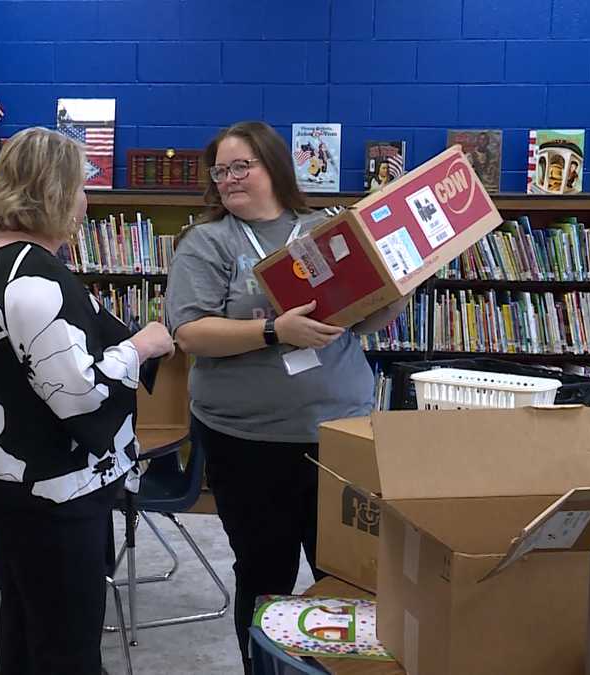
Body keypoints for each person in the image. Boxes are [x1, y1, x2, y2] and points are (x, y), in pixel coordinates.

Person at [164, 121, 409, 674]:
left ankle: (336, 667)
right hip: (247, 441)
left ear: (273, 166)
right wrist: (274, 331)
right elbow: (189, 333)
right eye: (220, 170)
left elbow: (363, 319)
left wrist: (399, 285)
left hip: (340, 435)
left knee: (344, 570)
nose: (227, 179)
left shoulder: (323, 228)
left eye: (239, 166)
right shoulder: (209, 241)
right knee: (264, 569)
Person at [0, 126, 174, 674]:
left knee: (27, 628)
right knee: (68, 646)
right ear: (51, 192)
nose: (85, 202)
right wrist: (142, 347)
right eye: (79, 187)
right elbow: (80, 395)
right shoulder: (33, 277)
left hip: (7, 480)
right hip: (56, 491)